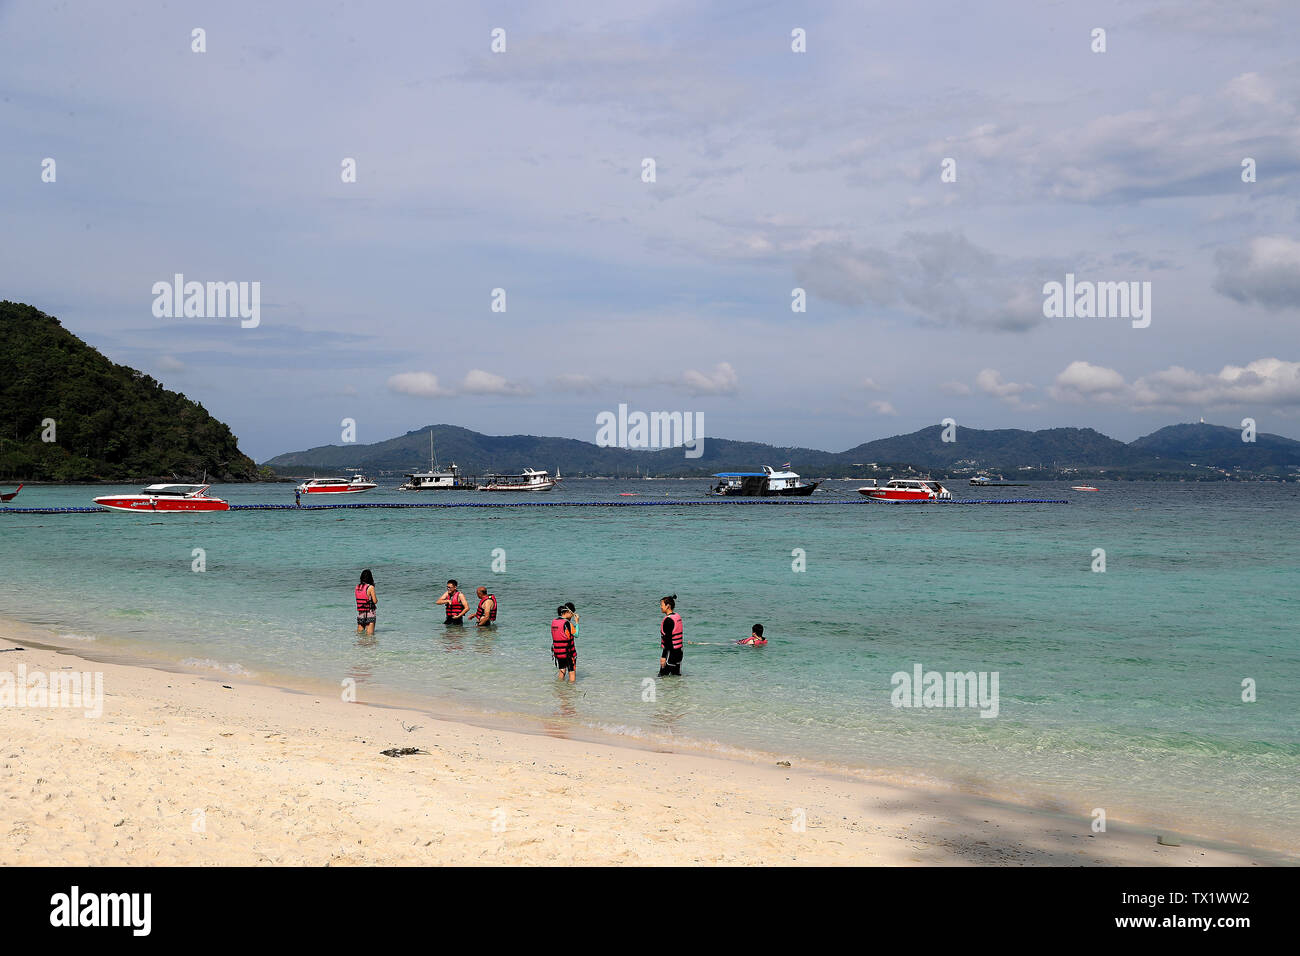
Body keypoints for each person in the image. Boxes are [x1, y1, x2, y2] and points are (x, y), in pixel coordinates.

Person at [658, 594, 683, 676]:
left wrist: (663, 657)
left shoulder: (668, 620)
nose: (660, 607)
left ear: (668, 606)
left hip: (671, 654)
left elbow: (667, 640)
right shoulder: (677, 617)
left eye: (662, 605)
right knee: (676, 677)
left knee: (662, 677)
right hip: (679, 652)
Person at [551, 605, 576, 682]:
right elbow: (576, 634)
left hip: (558, 652)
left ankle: (560, 690)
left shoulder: (554, 622)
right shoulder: (567, 623)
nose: (572, 615)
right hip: (568, 652)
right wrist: (577, 623)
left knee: (562, 670)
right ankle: (572, 691)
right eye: (572, 613)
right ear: (567, 612)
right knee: (572, 672)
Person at [354, 569, 377, 636]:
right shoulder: (370, 587)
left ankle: (360, 646)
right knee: (370, 636)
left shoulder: (357, 587)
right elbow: (375, 601)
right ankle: (369, 646)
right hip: (370, 612)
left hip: (361, 613)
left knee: (359, 634)